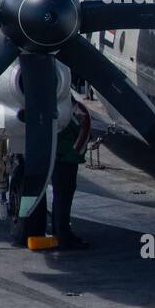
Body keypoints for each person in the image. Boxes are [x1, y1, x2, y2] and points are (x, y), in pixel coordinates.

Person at [51, 101, 92, 250]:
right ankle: (63, 235)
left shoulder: (63, 106)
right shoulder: (70, 108)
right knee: (64, 194)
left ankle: (59, 230)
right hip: (65, 157)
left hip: (61, 156)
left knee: (60, 194)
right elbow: (83, 126)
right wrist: (75, 152)